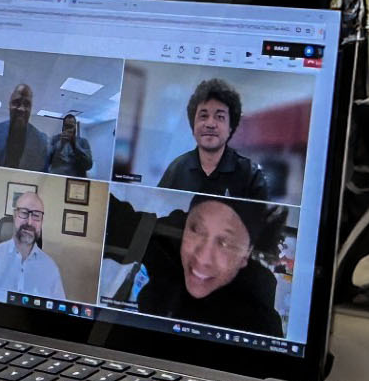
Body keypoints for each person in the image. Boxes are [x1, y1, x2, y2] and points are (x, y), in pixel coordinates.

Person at [112, 195, 285, 338]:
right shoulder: (172, 239)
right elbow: (124, 227)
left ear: (246, 255)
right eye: (197, 229)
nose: (203, 258)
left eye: (225, 242)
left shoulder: (257, 315)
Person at [158, 77, 271, 201]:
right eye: (204, 116)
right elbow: (158, 213)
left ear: (231, 127)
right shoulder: (177, 169)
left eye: (220, 116)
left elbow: (263, 219)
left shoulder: (251, 175)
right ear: (193, 124)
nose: (210, 124)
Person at [0, 192, 65, 302]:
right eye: (24, 213)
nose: (29, 222)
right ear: (14, 216)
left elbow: (59, 312)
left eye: (36, 216)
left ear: (41, 221)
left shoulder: (51, 269)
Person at [0, 82, 49, 171]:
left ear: (31, 109)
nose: (21, 108)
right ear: (9, 105)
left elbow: (42, 178)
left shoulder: (41, 142)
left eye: (26, 104)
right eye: (16, 103)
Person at [45, 112, 93, 177]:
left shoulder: (83, 142)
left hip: (75, 182)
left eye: (71, 126)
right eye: (66, 126)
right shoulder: (54, 139)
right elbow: (46, 161)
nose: (68, 129)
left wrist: (75, 146)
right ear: (63, 127)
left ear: (75, 128)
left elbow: (89, 166)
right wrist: (61, 145)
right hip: (56, 179)